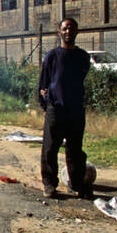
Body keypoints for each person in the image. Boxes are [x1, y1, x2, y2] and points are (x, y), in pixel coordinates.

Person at [38, 17, 92, 199]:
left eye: (72, 28)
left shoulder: (83, 57)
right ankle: (49, 184)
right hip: (56, 108)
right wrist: (45, 106)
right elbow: (43, 83)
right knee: (50, 148)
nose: (68, 31)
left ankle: (77, 184)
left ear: (77, 32)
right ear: (59, 32)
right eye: (65, 28)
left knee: (75, 149)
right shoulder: (52, 56)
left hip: (76, 109)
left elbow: (81, 78)